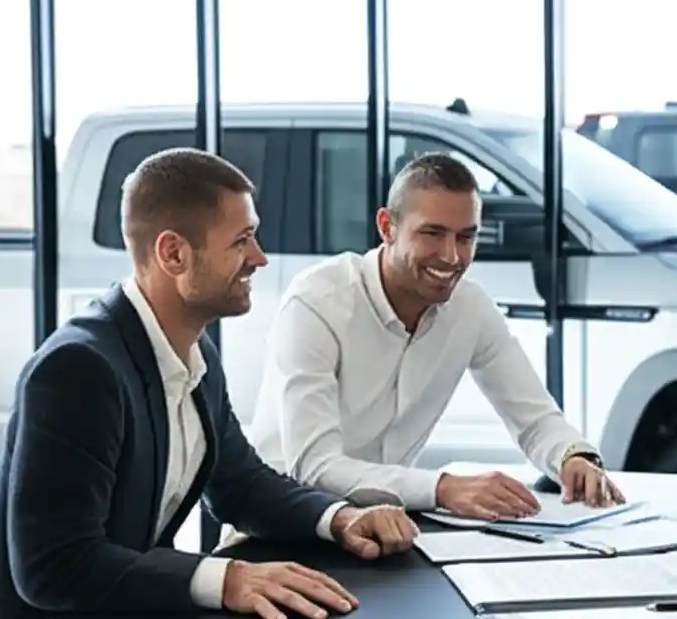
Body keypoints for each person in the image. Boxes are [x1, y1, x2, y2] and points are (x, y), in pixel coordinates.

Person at [0, 148, 419, 619]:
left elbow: (239, 484)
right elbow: (53, 567)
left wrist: (339, 519)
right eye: (242, 241)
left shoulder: (195, 352)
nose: (259, 258)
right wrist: (225, 577)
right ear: (174, 254)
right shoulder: (78, 370)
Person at [245, 152, 623, 521]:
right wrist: (443, 488)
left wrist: (574, 456)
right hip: (285, 526)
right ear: (387, 227)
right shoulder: (318, 301)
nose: (452, 256)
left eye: (465, 237)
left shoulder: (470, 308)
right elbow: (314, 466)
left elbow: (535, 419)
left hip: (386, 528)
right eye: (433, 234)